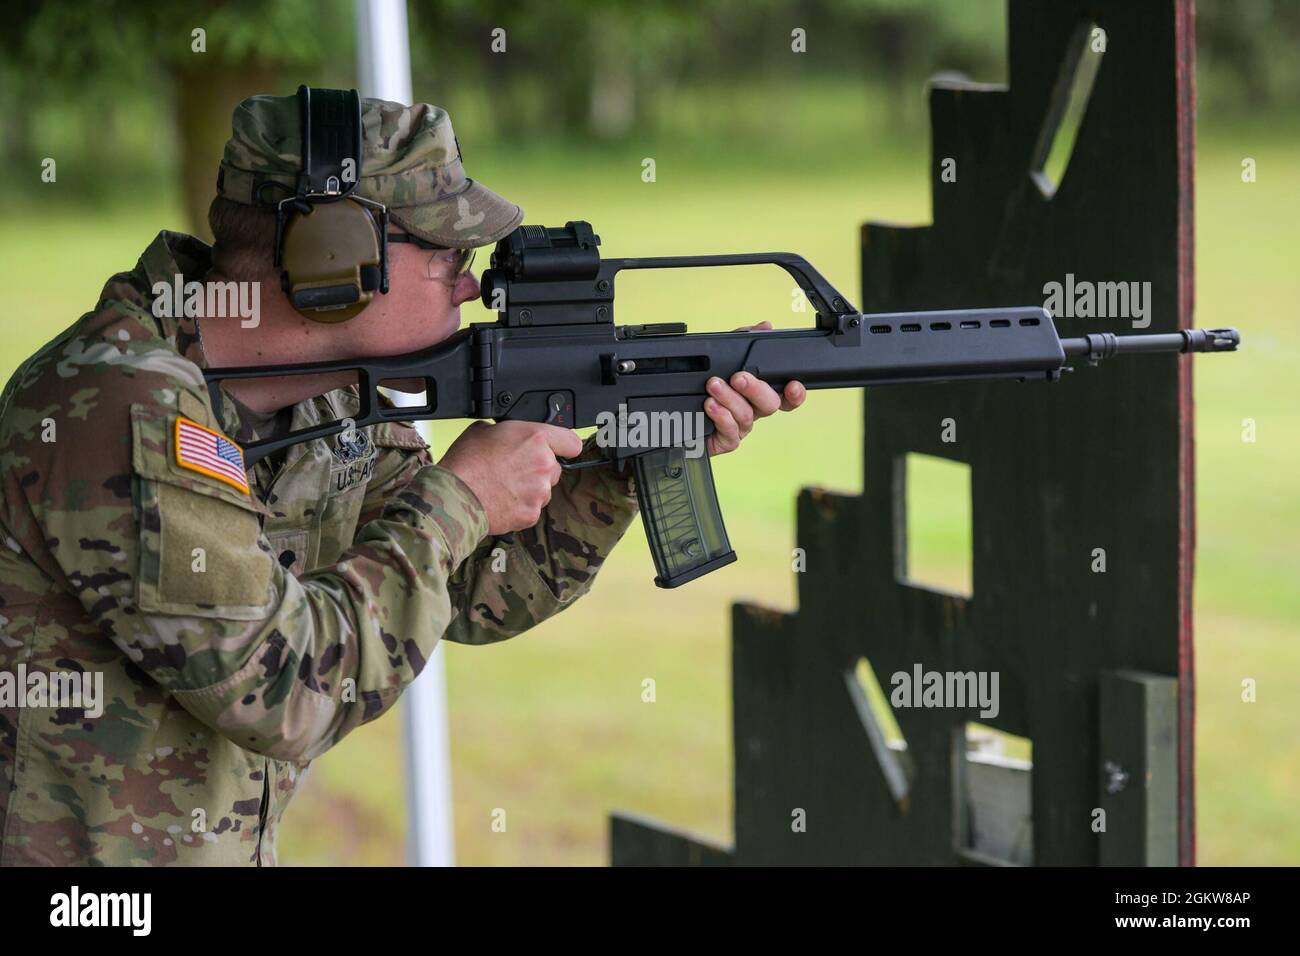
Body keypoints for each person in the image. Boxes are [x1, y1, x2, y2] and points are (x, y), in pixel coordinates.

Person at [0, 93, 806, 865]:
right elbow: (283, 690)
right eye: (447, 252)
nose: (471, 278)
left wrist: (629, 455)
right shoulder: (116, 406)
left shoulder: (335, 396)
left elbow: (476, 588)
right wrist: (457, 494)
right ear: (334, 257)